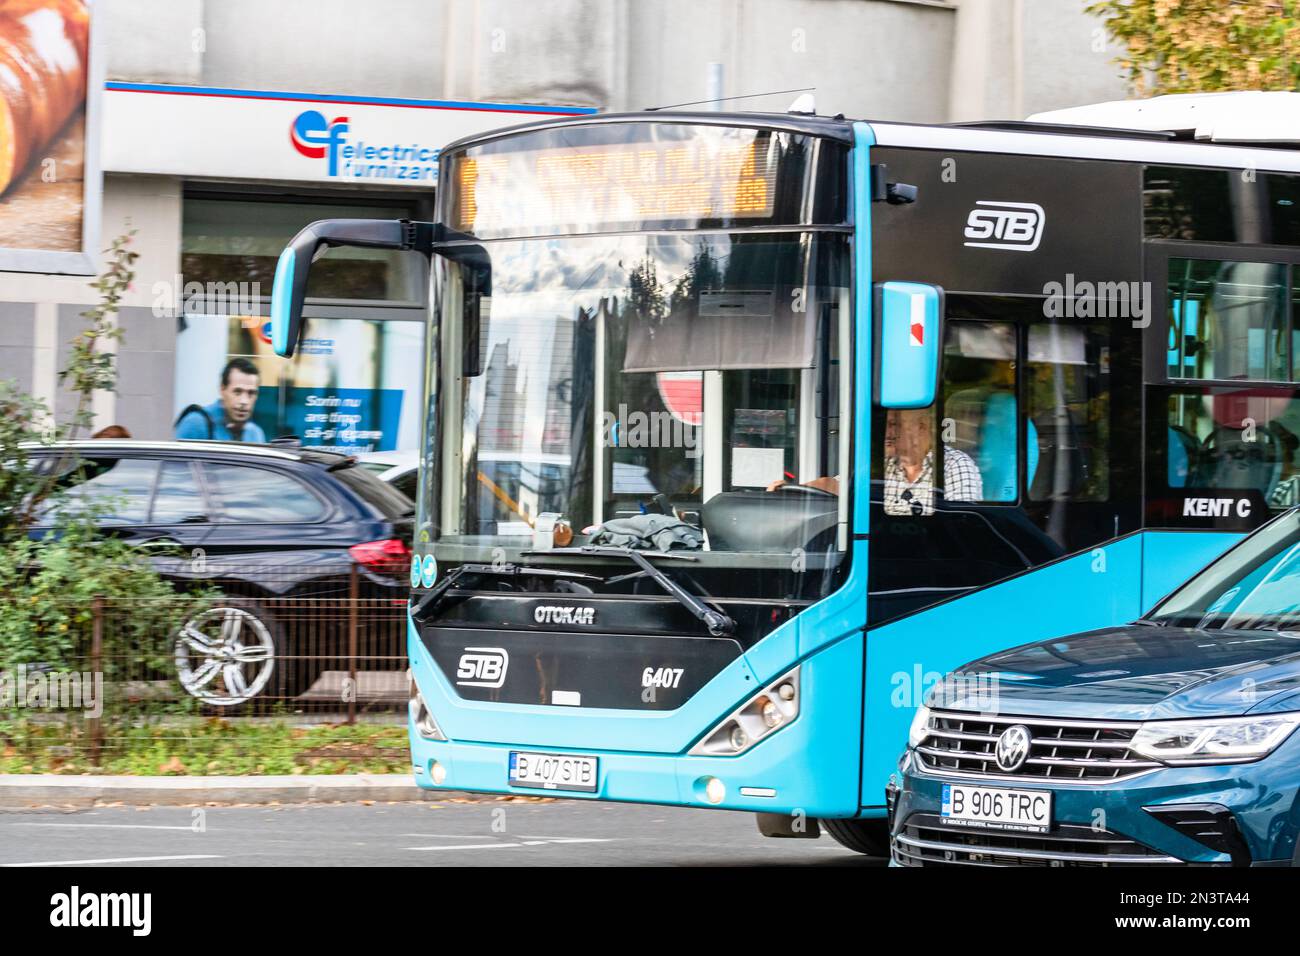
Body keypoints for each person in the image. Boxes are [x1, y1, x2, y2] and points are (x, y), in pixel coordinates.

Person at [884, 407, 982, 515]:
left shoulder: (955, 465)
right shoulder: (885, 464)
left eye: (893, 424)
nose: (886, 433)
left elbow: (963, 521)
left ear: (921, 427)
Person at [175, 357, 267, 443]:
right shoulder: (196, 424)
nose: (244, 401)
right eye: (237, 392)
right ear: (222, 389)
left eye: (251, 393)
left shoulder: (255, 434)